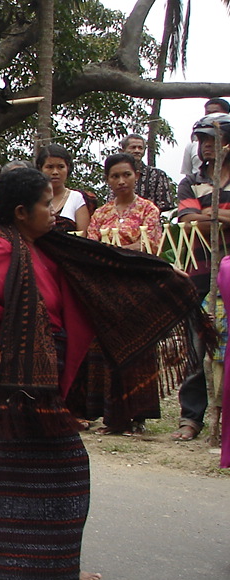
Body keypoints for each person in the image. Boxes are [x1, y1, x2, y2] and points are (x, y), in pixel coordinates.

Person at [0, 167, 205, 580]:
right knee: (62, 470)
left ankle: (0, 561)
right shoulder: (2, 249)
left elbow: (106, 266)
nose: (53, 212)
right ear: (23, 212)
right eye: (46, 205)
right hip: (13, 383)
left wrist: (159, 276)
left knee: (8, 473)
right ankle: (42, 569)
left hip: (33, 379)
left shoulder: (45, 245)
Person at [83, 152, 164, 435]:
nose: (121, 181)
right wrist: (114, 257)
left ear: (136, 176)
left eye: (126, 175)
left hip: (138, 289)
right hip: (105, 292)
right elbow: (92, 251)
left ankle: (137, 417)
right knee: (106, 351)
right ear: (107, 180)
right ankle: (110, 417)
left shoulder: (148, 210)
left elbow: (150, 246)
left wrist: (113, 255)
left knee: (137, 350)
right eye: (115, 176)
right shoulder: (101, 213)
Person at [172, 113, 230, 441]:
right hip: (200, 270)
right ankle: (191, 418)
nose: (207, 146)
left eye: (213, 139)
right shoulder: (190, 181)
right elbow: (187, 221)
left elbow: (200, 217)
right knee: (196, 346)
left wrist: (208, 214)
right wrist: (221, 217)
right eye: (202, 140)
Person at [37, 145, 90, 232]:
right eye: (50, 167)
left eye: (60, 167)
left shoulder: (76, 198)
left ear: (67, 168)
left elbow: (83, 237)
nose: (55, 172)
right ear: (40, 168)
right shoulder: (34, 198)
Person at [119, 133, 175, 212]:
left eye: (140, 148)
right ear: (123, 150)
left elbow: (166, 207)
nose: (137, 151)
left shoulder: (157, 175)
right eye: (133, 147)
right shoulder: (117, 176)